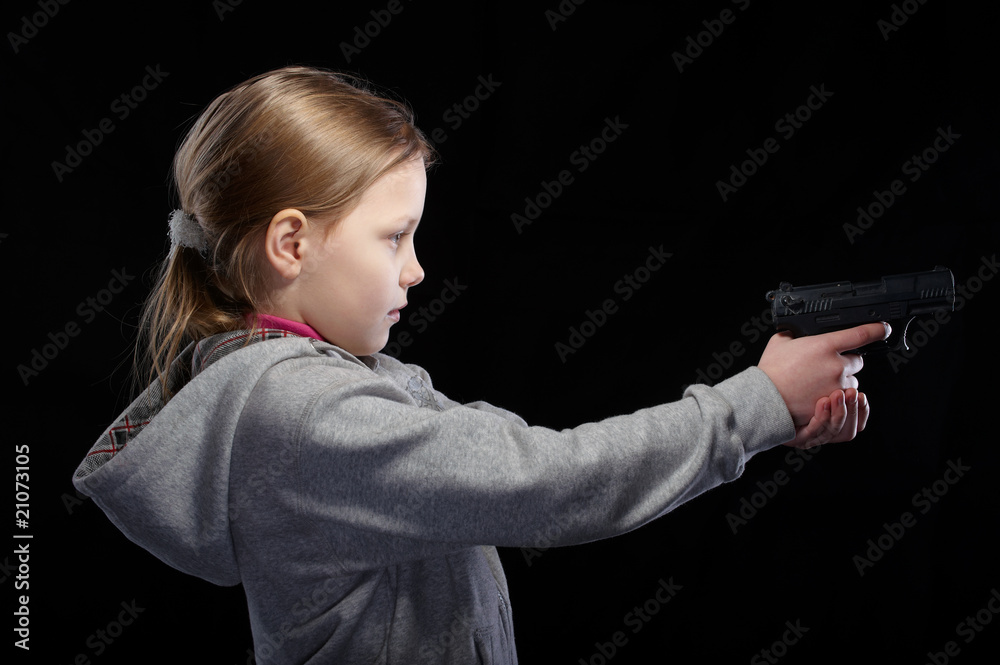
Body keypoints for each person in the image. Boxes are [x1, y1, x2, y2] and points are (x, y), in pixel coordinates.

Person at [72, 65, 890, 664]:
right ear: (292, 243)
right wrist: (756, 402)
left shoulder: (317, 382)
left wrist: (771, 415)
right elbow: (550, 480)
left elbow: (500, 450)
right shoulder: (305, 412)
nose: (416, 268)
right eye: (394, 236)